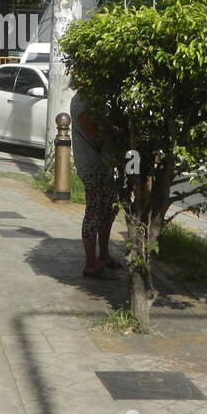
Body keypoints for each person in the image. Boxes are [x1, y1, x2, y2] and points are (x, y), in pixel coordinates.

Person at [70, 89, 121, 279]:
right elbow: (93, 132)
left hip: (104, 164)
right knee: (94, 211)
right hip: (91, 165)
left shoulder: (97, 98)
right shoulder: (81, 101)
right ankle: (91, 264)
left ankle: (104, 255)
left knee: (109, 208)